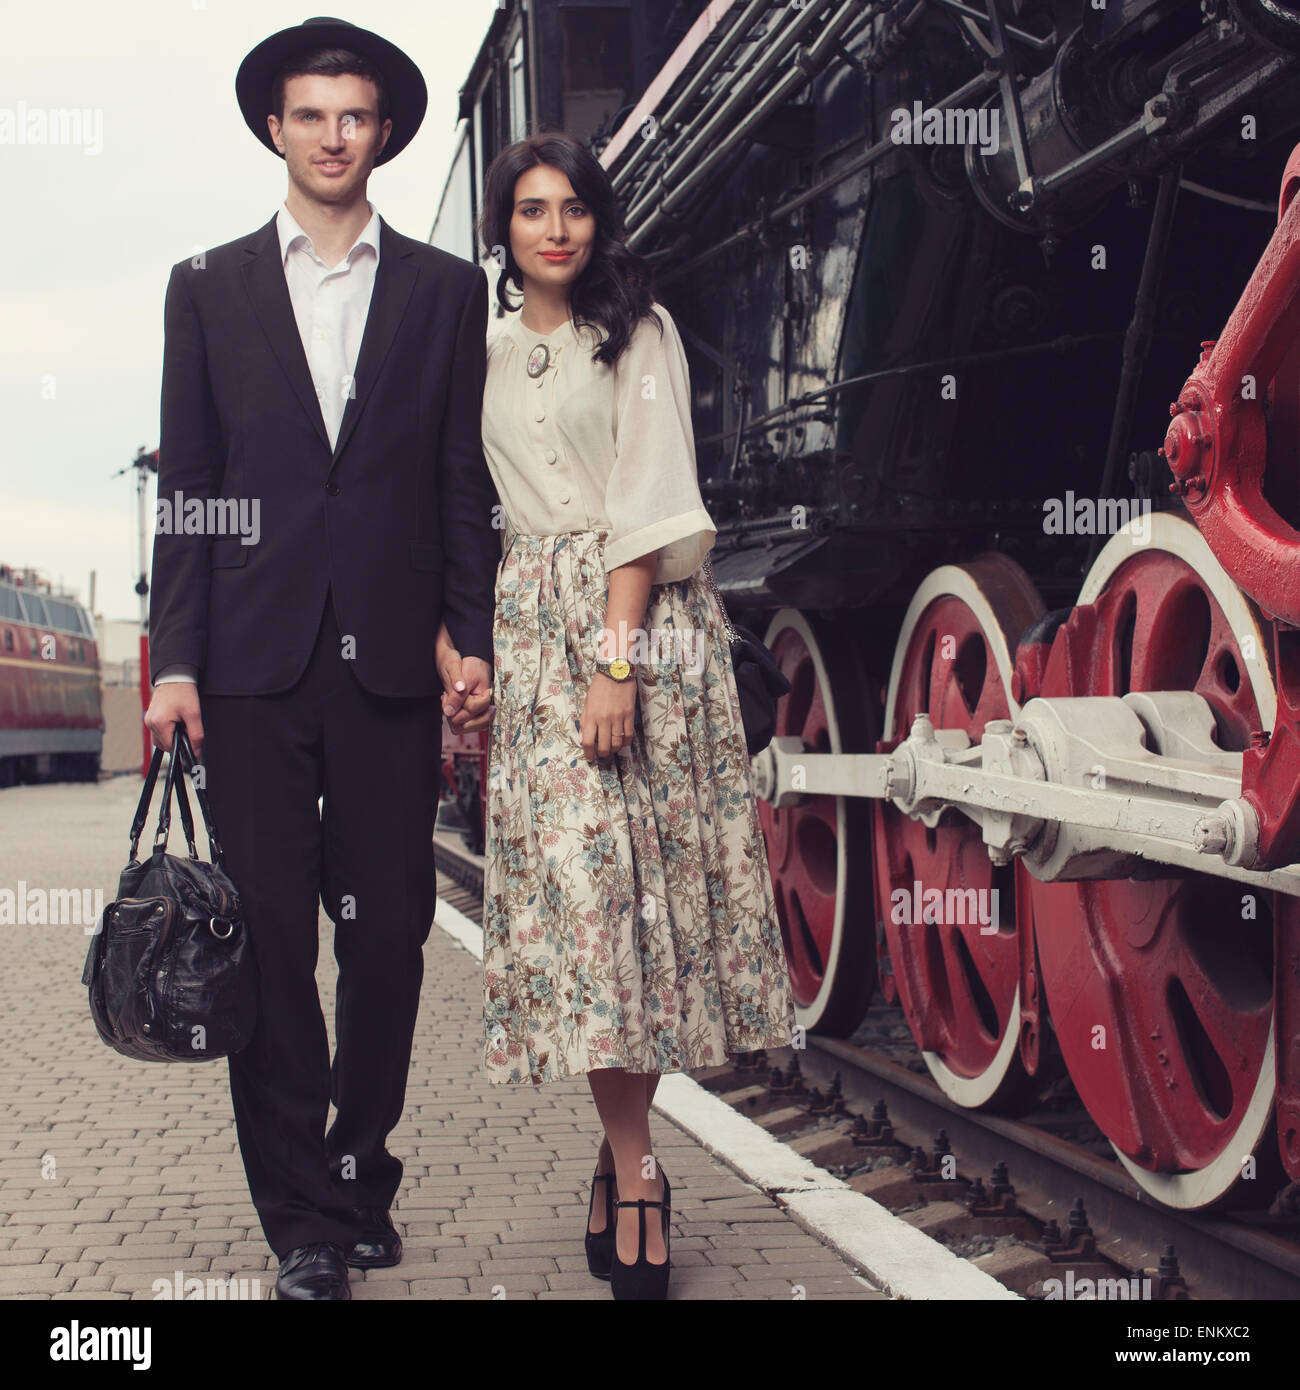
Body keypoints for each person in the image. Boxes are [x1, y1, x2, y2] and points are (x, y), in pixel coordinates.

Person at [143, 18, 497, 1300]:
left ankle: (361, 1169)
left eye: (354, 116)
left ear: (383, 132)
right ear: (274, 128)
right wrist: (170, 659)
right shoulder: (206, 285)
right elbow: (190, 486)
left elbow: (462, 481)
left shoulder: (448, 292)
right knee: (271, 939)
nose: (333, 136)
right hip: (245, 662)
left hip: (394, 660)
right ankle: (300, 1220)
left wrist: (476, 632)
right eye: (309, 115)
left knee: (391, 931)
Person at [443, 132, 797, 1300]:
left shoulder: (637, 331)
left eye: (574, 207)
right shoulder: (481, 349)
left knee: (632, 926)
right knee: (594, 931)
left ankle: (630, 1168)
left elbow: (646, 507)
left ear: (599, 219)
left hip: (628, 631)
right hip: (531, 638)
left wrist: (616, 663)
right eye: (532, 209)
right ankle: (632, 1160)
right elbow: (454, 501)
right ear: (503, 230)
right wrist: (464, 648)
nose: (555, 228)